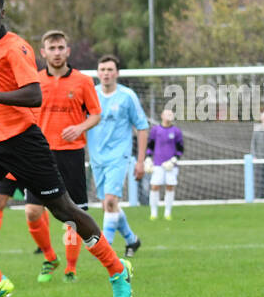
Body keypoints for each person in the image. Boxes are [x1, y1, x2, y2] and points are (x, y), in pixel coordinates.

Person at [0, 0, 132, 297]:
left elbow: (34, 95)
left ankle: (116, 270)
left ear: (1, 13)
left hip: (23, 142)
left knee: (66, 211)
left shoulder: (16, 48)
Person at [34, 29, 103, 282]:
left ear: (68, 51)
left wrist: (81, 127)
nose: (57, 52)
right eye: (52, 48)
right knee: (32, 211)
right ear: (43, 53)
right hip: (40, 154)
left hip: (71, 154)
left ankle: (71, 268)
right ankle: (50, 257)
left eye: (61, 48)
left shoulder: (83, 81)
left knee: (72, 212)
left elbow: (96, 114)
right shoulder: (34, 81)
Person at [91, 55, 148, 257]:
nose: (106, 73)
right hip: (97, 157)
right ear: (97, 73)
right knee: (107, 205)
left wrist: (140, 161)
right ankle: (132, 240)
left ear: (117, 73)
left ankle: (105, 251)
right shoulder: (90, 94)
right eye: (102, 69)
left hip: (119, 156)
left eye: (110, 69)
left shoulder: (127, 96)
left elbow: (142, 127)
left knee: (110, 201)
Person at [146, 108, 185, 220]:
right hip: (158, 164)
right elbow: (150, 146)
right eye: (167, 114)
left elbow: (180, 149)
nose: (169, 116)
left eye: (171, 114)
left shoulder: (176, 131)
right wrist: (148, 158)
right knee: (154, 186)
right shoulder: (155, 130)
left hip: (170, 166)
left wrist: (174, 160)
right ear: (162, 115)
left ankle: (167, 213)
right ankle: (153, 213)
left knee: (170, 187)